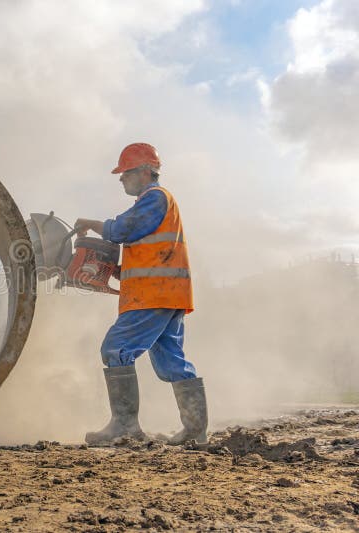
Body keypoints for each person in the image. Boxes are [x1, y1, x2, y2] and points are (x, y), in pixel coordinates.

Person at [74, 142, 208, 445]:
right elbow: (148, 254)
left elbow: (123, 229)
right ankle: (196, 432)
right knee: (172, 362)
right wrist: (115, 271)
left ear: (146, 171)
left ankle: (124, 427)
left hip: (154, 296)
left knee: (115, 348)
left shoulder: (155, 198)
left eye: (126, 173)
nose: (121, 179)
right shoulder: (156, 202)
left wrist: (91, 225)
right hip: (167, 295)